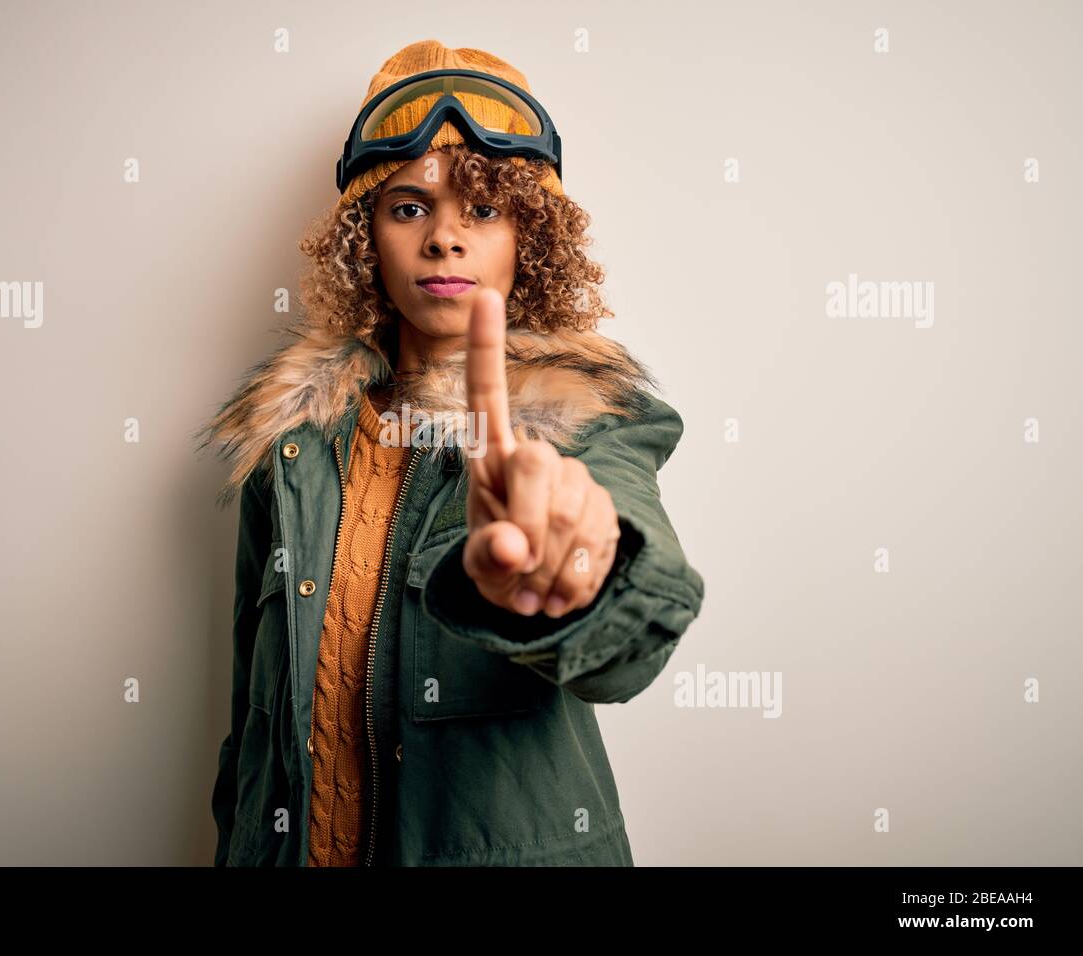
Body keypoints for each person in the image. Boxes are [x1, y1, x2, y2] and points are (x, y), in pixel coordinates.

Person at [193, 39, 705, 866]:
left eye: (484, 209)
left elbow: (629, 640)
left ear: (530, 241)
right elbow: (249, 718)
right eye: (408, 208)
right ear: (365, 237)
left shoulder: (586, 421)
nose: (444, 239)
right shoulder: (288, 441)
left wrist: (577, 574)